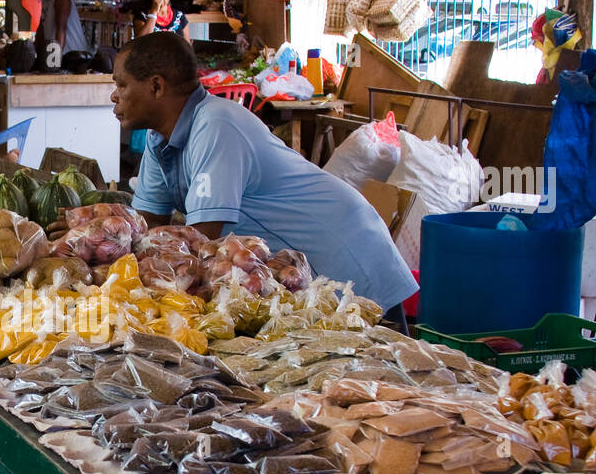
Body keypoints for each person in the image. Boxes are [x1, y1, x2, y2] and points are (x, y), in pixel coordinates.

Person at [112, 32, 417, 321]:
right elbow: (145, 225)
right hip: (293, 272)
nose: (114, 96)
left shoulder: (217, 124)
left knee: (378, 367)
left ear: (155, 86)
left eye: (121, 85)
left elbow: (201, 239)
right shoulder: (158, 139)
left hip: (345, 254)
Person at [31, 0, 91, 71]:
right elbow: (41, 29)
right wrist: (34, 54)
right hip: (58, 56)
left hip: (72, 58)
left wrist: (55, 60)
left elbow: (61, 29)